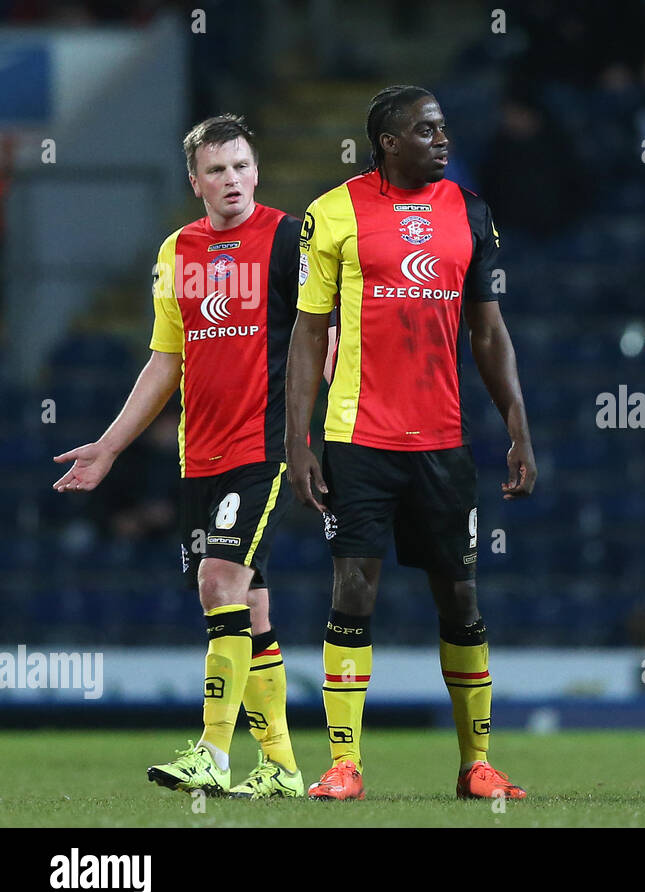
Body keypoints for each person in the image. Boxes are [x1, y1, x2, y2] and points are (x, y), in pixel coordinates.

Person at [286, 85, 536, 801]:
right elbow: (308, 332)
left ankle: (476, 764)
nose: (443, 139)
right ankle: (344, 763)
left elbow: (488, 330)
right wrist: (297, 438)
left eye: (444, 128)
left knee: (459, 595)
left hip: (443, 442)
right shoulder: (331, 213)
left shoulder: (470, 211)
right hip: (358, 436)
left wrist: (517, 424)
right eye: (426, 130)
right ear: (389, 142)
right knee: (353, 589)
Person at [53, 115, 304, 798]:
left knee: (218, 583)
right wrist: (108, 447)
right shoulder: (176, 252)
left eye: (242, 166)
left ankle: (213, 755)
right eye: (217, 170)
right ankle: (280, 767)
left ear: (257, 171)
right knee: (250, 609)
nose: (232, 180)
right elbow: (166, 361)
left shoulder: (288, 240)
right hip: (202, 452)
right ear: (195, 182)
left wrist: (314, 432)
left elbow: (325, 339)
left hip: (264, 444)